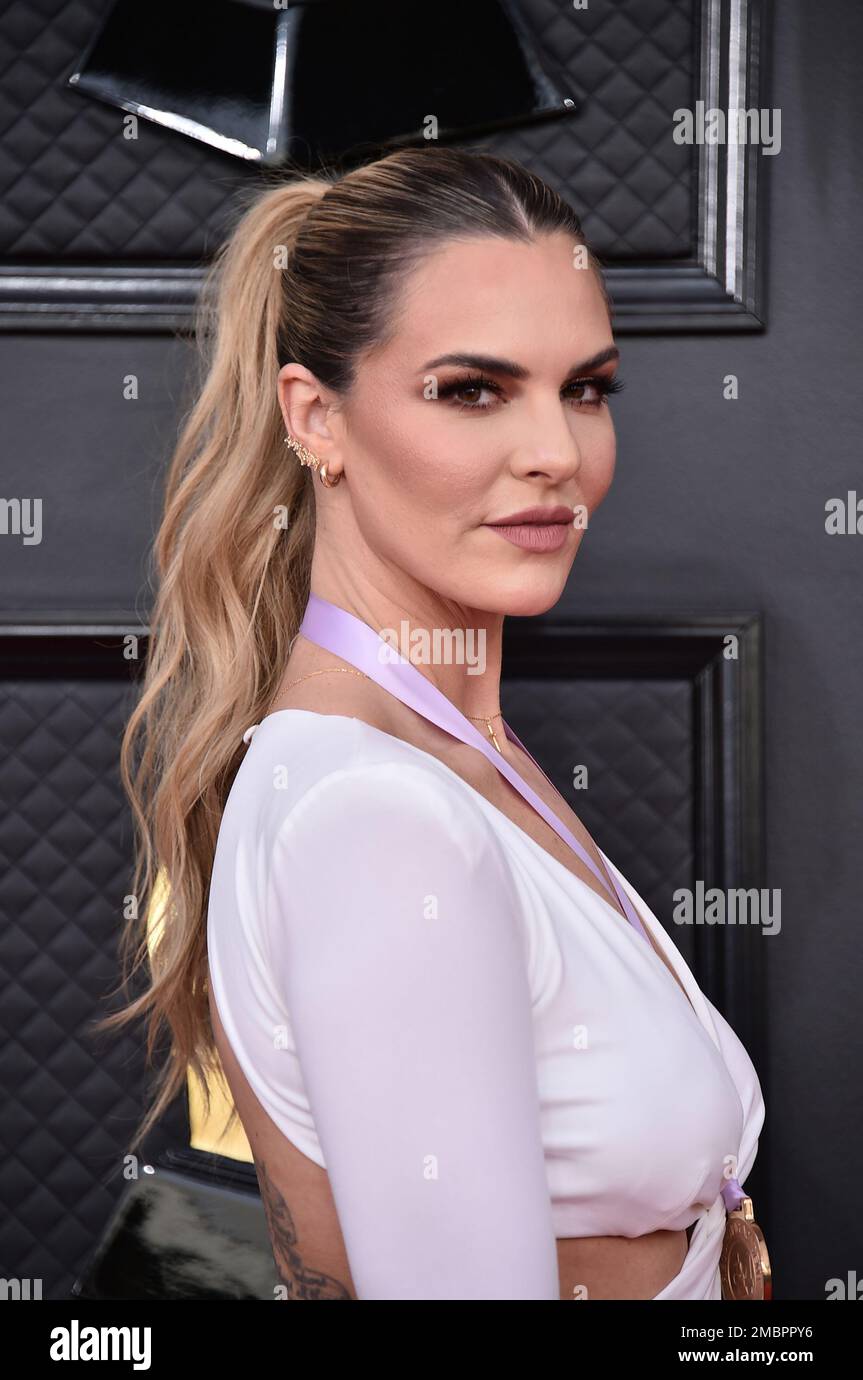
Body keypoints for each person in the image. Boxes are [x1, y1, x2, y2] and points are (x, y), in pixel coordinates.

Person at [108, 146, 764, 1300]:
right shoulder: (379, 813)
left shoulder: (461, 757)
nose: (558, 454)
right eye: (471, 390)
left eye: (585, 387)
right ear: (315, 416)